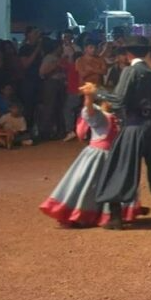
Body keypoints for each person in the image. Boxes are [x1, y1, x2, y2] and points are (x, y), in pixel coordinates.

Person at [91, 36, 151, 228]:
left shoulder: (130, 71)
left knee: (120, 166)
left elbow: (118, 100)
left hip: (135, 125)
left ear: (127, 54)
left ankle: (115, 217)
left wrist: (98, 92)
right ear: (145, 52)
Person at [40, 88, 128, 227]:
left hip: (111, 155)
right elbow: (89, 111)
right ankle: (81, 215)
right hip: (98, 156)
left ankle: (107, 215)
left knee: (107, 187)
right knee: (88, 187)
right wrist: (89, 97)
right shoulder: (100, 116)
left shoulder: (115, 116)